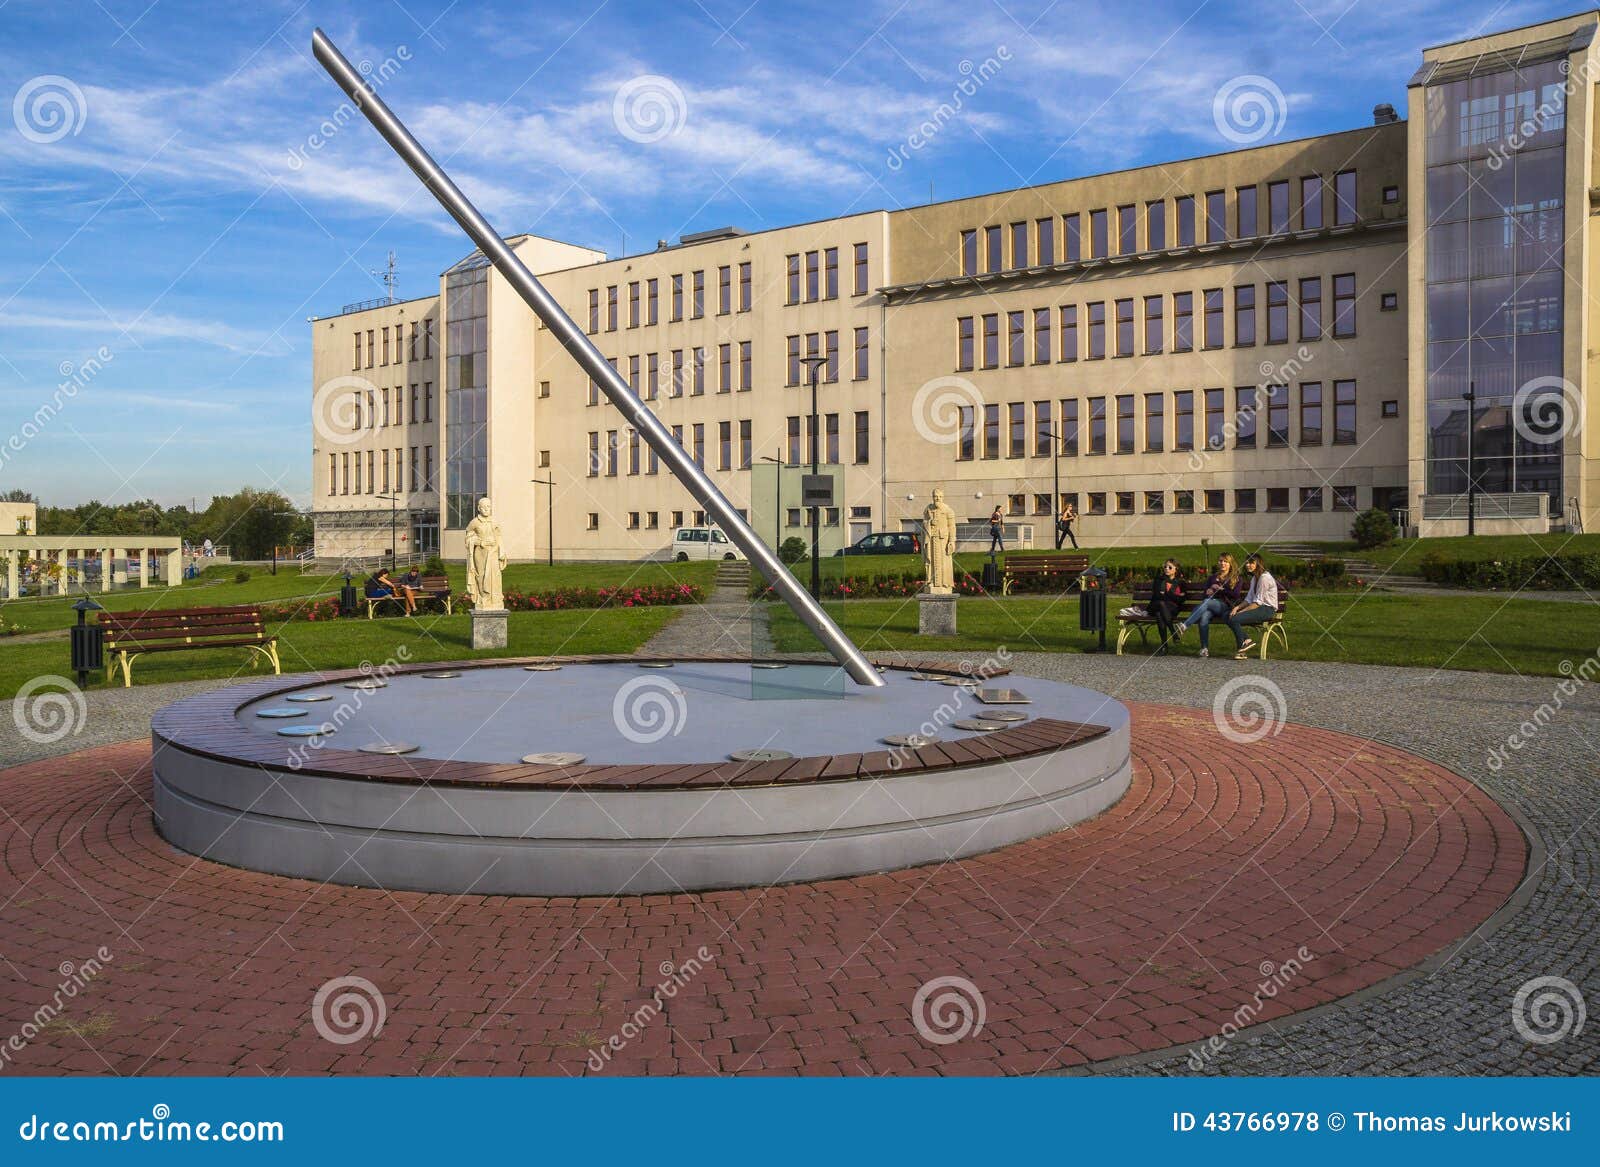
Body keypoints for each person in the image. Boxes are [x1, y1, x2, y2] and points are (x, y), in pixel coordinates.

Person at [1172, 552, 1240, 658]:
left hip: (1225, 607)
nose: (1222, 563)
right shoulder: (1212, 577)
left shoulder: (1235, 577)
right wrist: (1208, 591)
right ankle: (1204, 649)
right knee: (1204, 617)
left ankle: (1185, 625)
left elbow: (1235, 595)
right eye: (1220, 561)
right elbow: (1204, 594)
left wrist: (1221, 589)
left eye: (1225, 561)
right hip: (1210, 606)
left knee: (1207, 602)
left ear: (1230, 564)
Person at [1226, 553, 1280, 659]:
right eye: (1247, 563)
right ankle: (1247, 641)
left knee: (1234, 619)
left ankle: (1241, 650)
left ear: (1258, 564)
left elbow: (1257, 602)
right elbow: (1249, 599)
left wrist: (1241, 612)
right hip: (1259, 607)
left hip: (1267, 610)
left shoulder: (1264, 578)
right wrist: (1237, 608)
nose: (1248, 565)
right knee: (1229, 616)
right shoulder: (1255, 578)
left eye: (1251, 563)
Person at [1149, 558, 1186, 651]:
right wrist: (1173, 596)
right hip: (1156, 605)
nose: (1166, 569)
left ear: (1176, 569)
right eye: (1165, 567)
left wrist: (1167, 593)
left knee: (1159, 614)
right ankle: (1173, 632)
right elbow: (1157, 596)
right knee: (1161, 604)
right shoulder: (1159, 580)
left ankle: (1164, 646)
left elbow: (1181, 600)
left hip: (1172, 609)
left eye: (1170, 567)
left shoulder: (1180, 582)